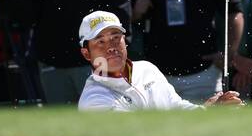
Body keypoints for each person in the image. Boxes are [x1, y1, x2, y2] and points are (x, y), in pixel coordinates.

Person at [77, 12, 243, 111]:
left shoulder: (147, 69)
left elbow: (176, 107)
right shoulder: (93, 100)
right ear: (86, 54)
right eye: (100, 41)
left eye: (115, 37)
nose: (111, 47)